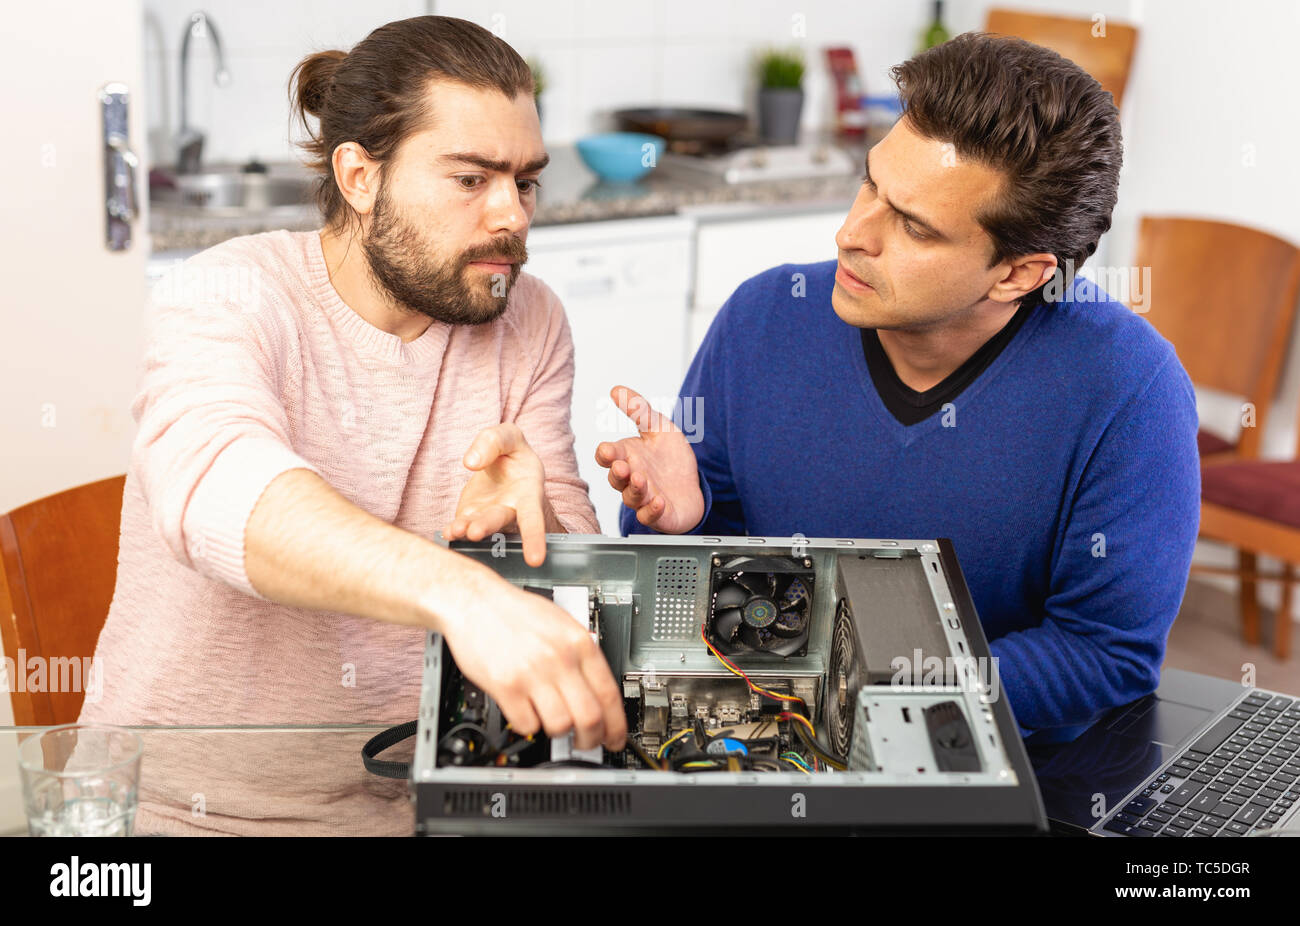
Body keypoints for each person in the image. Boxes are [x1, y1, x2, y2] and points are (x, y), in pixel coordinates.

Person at [79, 15, 625, 834]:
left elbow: (563, 591)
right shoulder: (227, 294)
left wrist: (536, 519)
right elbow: (214, 491)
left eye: (526, 180)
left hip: (429, 812)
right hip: (181, 816)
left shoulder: (530, 318)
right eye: (472, 180)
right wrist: (460, 589)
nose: (512, 216)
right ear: (360, 177)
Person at [596, 33, 1201, 737]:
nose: (853, 234)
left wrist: (861, 691)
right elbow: (714, 578)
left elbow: (1102, 651)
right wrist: (681, 521)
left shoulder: (1132, 391)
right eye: (870, 184)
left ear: (1018, 274)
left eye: (913, 227)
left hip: (985, 759)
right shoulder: (761, 317)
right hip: (765, 733)